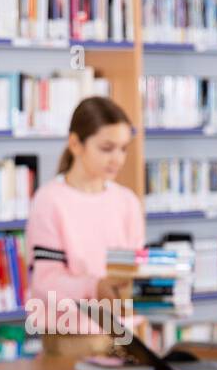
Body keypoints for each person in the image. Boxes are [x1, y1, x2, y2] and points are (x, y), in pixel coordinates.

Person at [25, 95, 143, 341]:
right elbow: (45, 283)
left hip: (124, 335)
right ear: (76, 144)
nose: (117, 159)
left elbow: (136, 268)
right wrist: (94, 287)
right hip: (69, 337)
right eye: (106, 148)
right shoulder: (50, 201)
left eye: (123, 149)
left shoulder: (127, 202)